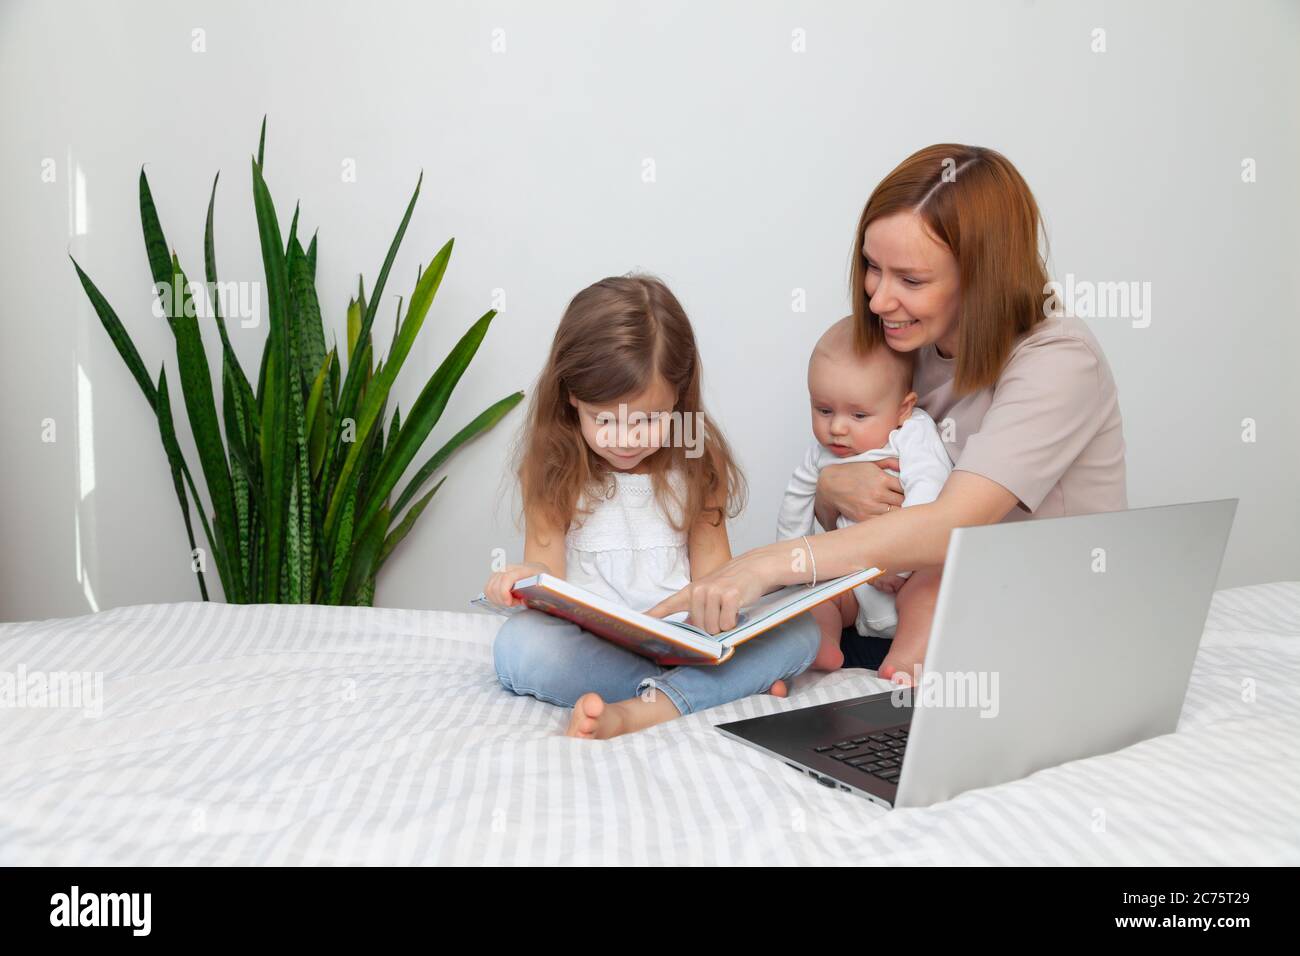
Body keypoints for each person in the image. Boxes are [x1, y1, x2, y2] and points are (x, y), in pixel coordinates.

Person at [648, 144, 1128, 686]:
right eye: (872, 268)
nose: (877, 301)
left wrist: (772, 562)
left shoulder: (1059, 361)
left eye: (911, 280)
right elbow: (859, 479)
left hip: (1039, 624)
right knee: (769, 650)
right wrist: (830, 489)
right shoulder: (907, 348)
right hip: (910, 609)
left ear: (983, 278)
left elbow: (951, 526)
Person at [486, 274, 821, 739]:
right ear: (571, 397)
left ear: (678, 400)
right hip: (599, 652)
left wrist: (720, 619)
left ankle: (649, 707)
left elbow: (716, 578)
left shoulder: (697, 467)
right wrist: (523, 580)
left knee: (802, 632)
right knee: (519, 650)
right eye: (604, 420)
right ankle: (713, 691)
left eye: (647, 419)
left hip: (689, 642)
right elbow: (547, 572)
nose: (626, 439)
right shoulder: (552, 467)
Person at [775, 315, 951, 672]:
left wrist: (899, 564)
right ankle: (821, 647)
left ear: (903, 408)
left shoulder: (912, 434)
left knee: (930, 589)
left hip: (907, 578)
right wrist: (789, 565)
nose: (837, 428)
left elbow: (929, 493)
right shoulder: (821, 452)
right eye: (823, 410)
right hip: (854, 584)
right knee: (818, 595)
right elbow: (797, 500)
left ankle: (905, 658)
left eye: (858, 415)